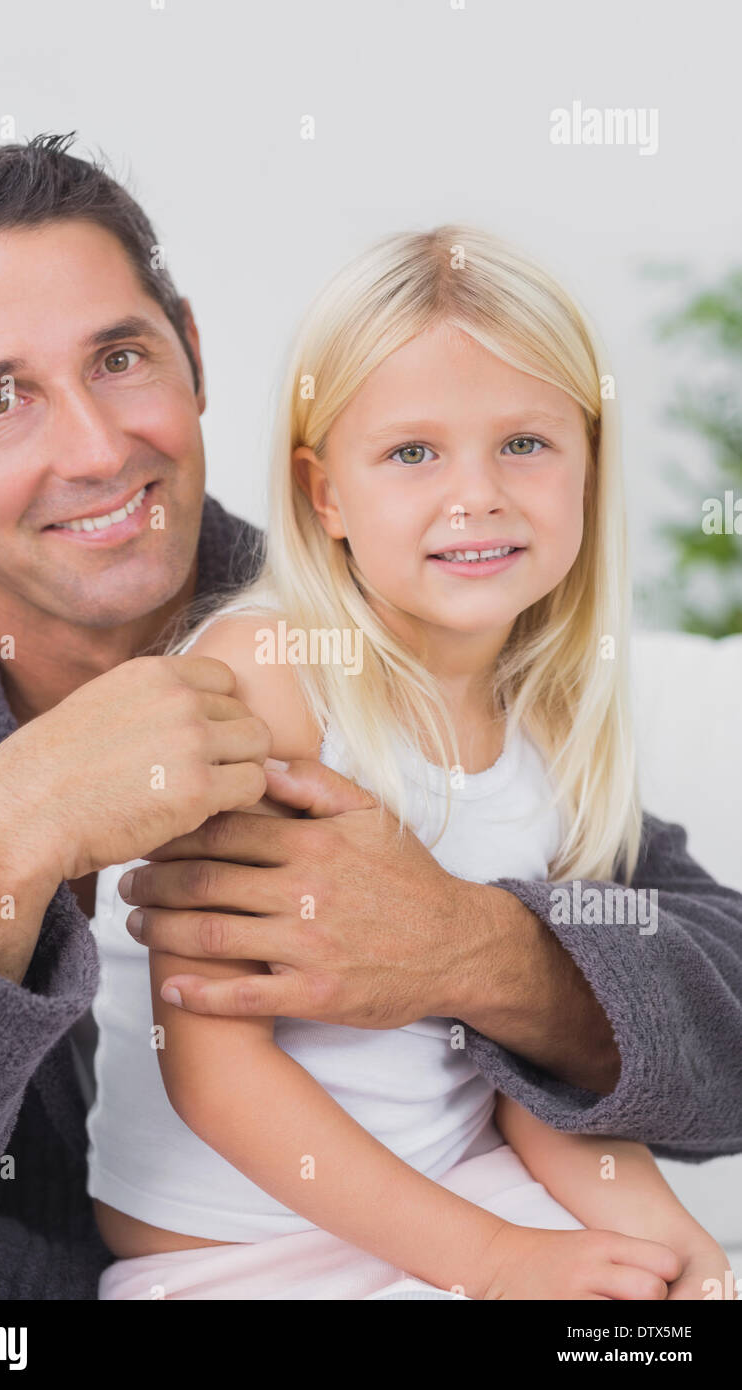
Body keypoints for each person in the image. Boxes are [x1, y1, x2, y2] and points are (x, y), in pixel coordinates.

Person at [0, 137, 739, 1302]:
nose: (91, 446)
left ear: (191, 348)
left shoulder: (404, 625)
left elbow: (712, 1007)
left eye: (121, 357)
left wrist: (481, 952)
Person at [87, 227, 733, 1300]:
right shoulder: (272, 673)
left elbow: (534, 1077)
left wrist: (675, 1251)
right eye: (411, 452)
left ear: (588, 462)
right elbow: (214, 1073)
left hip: (466, 1196)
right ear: (324, 494)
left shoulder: (554, 718)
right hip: (241, 1258)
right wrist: (491, 1262)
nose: (474, 494)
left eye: (523, 443)